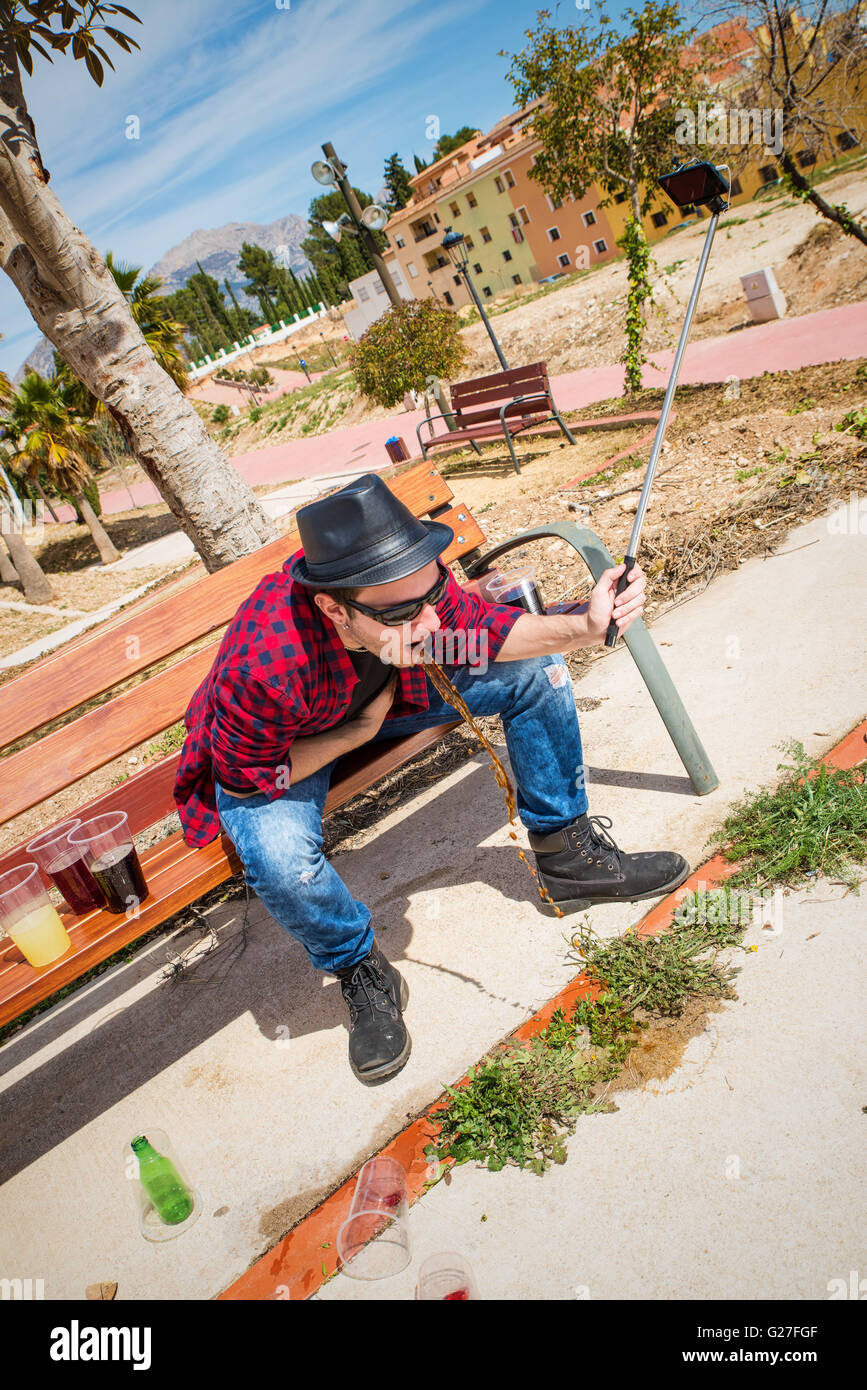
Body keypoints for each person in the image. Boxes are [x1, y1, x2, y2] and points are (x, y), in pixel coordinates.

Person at [174, 474, 689, 1086]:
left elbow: (488, 632)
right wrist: (355, 734)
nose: (425, 624)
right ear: (334, 609)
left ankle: (567, 858)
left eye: (431, 597)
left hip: (388, 701)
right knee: (282, 862)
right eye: (399, 615)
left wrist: (585, 624)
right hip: (290, 748)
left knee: (536, 671)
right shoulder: (263, 664)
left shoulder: (408, 590)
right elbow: (250, 777)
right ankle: (360, 968)